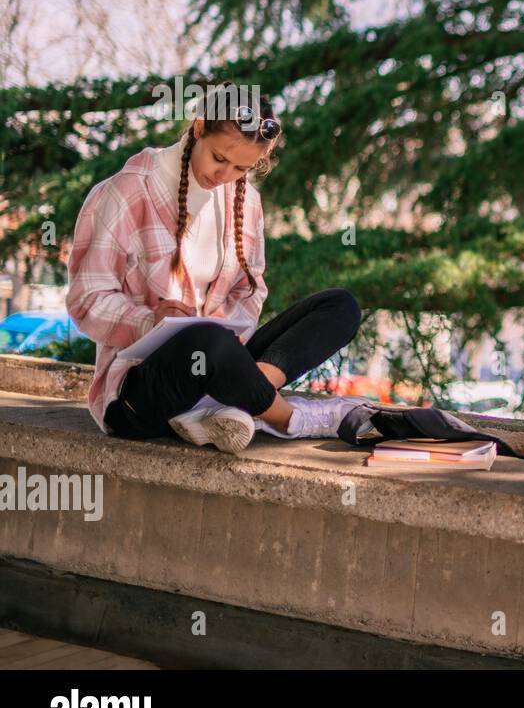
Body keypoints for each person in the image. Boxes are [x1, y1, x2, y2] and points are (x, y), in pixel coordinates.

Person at [67, 84, 364, 454]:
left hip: (220, 365)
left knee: (340, 306)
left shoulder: (246, 202)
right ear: (199, 127)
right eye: (219, 158)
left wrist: (229, 340)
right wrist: (150, 320)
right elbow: (86, 300)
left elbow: (249, 292)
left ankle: (231, 401)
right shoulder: (125, 193)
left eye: (242, 167)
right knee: (205, 342)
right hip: (140, 392)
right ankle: (287, 418)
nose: (226, 175)